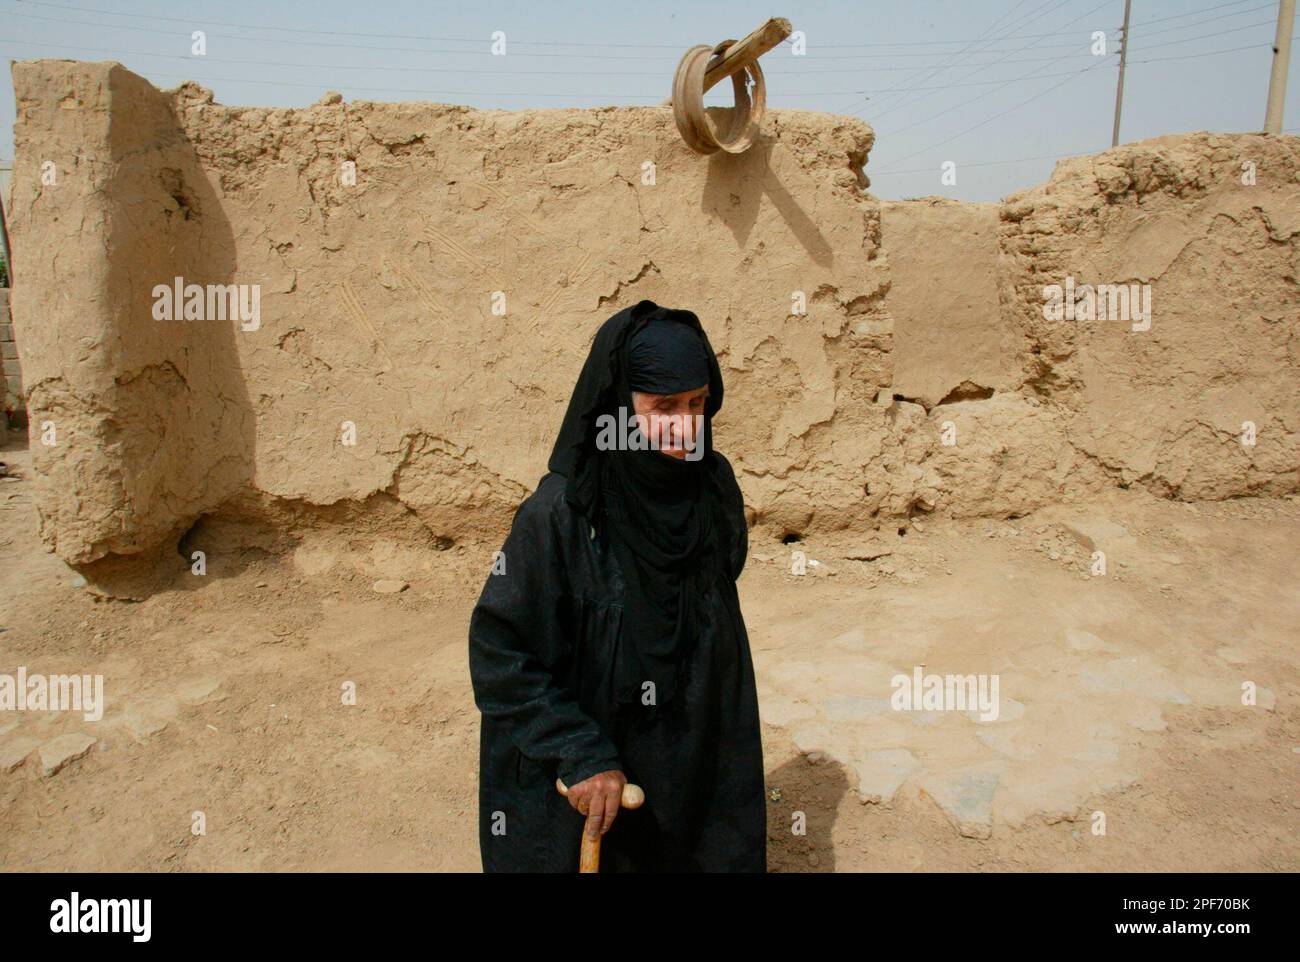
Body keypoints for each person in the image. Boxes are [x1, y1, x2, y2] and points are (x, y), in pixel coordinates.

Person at [468, 298, 767, 872]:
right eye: (664, 408)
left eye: (698, 404)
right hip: (594, 766)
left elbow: (718, 590)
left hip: (693, 741)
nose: (688, 428)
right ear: (619, 408)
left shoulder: (712, 485)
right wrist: (578, 752)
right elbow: (499, 651)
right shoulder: (560, 513)